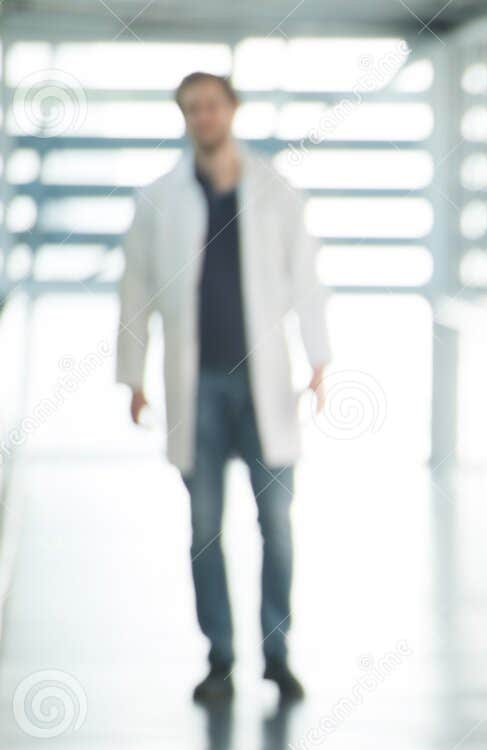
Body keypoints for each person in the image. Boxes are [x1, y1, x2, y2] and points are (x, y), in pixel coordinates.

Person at [116, 71, 331, 704]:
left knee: (277, 526)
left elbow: (307, 278)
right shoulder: (160, 198)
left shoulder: (275, 190)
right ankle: (220, 657)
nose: (203, 118)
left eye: (211, 106)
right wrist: (133, 376)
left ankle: (277, 653)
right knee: (205, 528)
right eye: (191, 110)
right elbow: (135, 291)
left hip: (265, 387)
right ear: (184, 118)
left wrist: (320, 359)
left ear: (231, 110)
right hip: (198, 388)